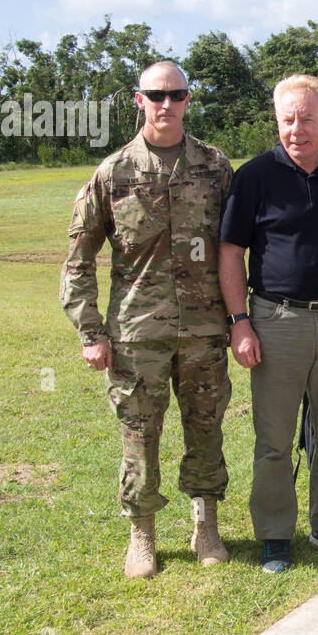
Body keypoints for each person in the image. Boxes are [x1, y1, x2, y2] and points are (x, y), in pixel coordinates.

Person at [61, 60, 233, 579]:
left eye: (176, 95)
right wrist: (91, 332)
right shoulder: (113, 173)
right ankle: (142, 532)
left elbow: (238, 246)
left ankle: (205, 524)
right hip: (138, 333)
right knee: (140, 432)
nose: (166, 104)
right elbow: (77, 259)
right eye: (155, 95)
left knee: (206, 428)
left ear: (187, 100)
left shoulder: (215, 167)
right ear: (139, 99)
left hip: (205, 330)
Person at [219, 75, 318, 573]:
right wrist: (240, 323)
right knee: (275, 438)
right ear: (276, 121)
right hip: (276, 321)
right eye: (287, 119)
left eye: (306, 119)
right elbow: (231, 253)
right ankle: (275, 534)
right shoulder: (255, 175)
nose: (296, 129)